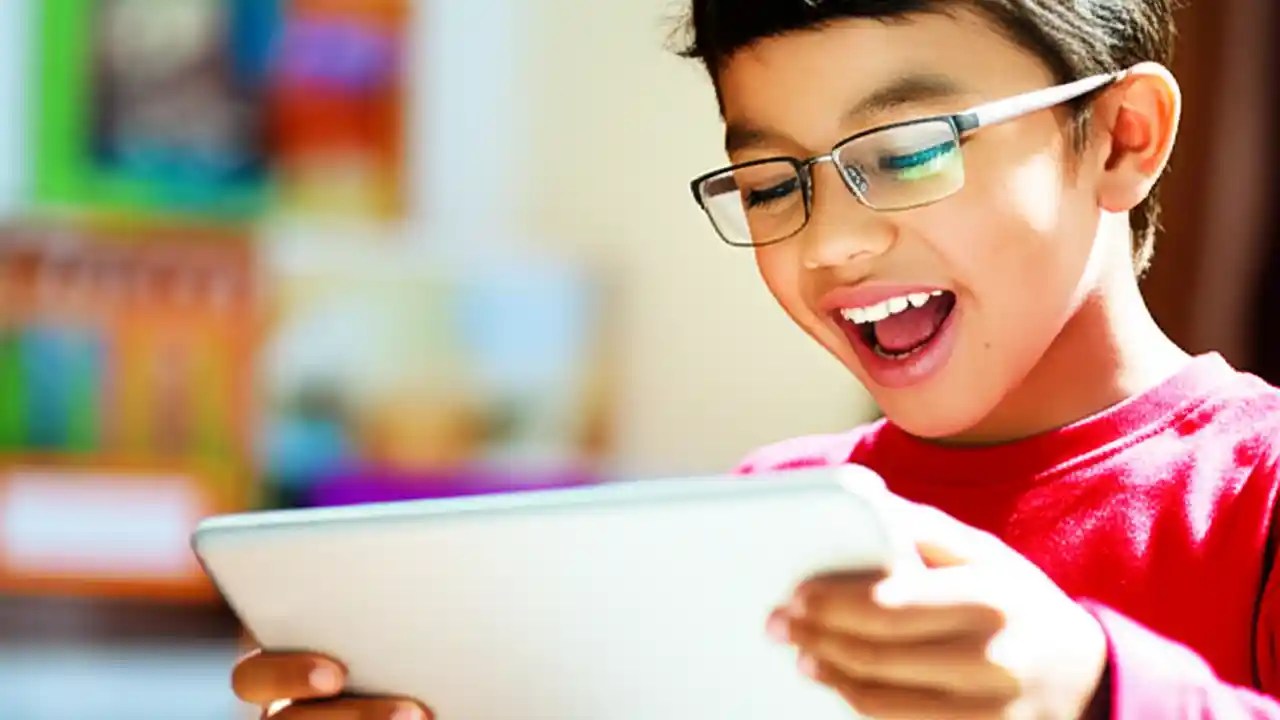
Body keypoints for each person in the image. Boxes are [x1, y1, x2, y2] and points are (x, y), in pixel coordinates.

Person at [228, 1, 1280, 717]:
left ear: (1120, 136)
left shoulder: (1257, 490)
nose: (826, 243)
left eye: (907, 153)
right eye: (772, 185)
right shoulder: (765, 514)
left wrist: (1092, 692)